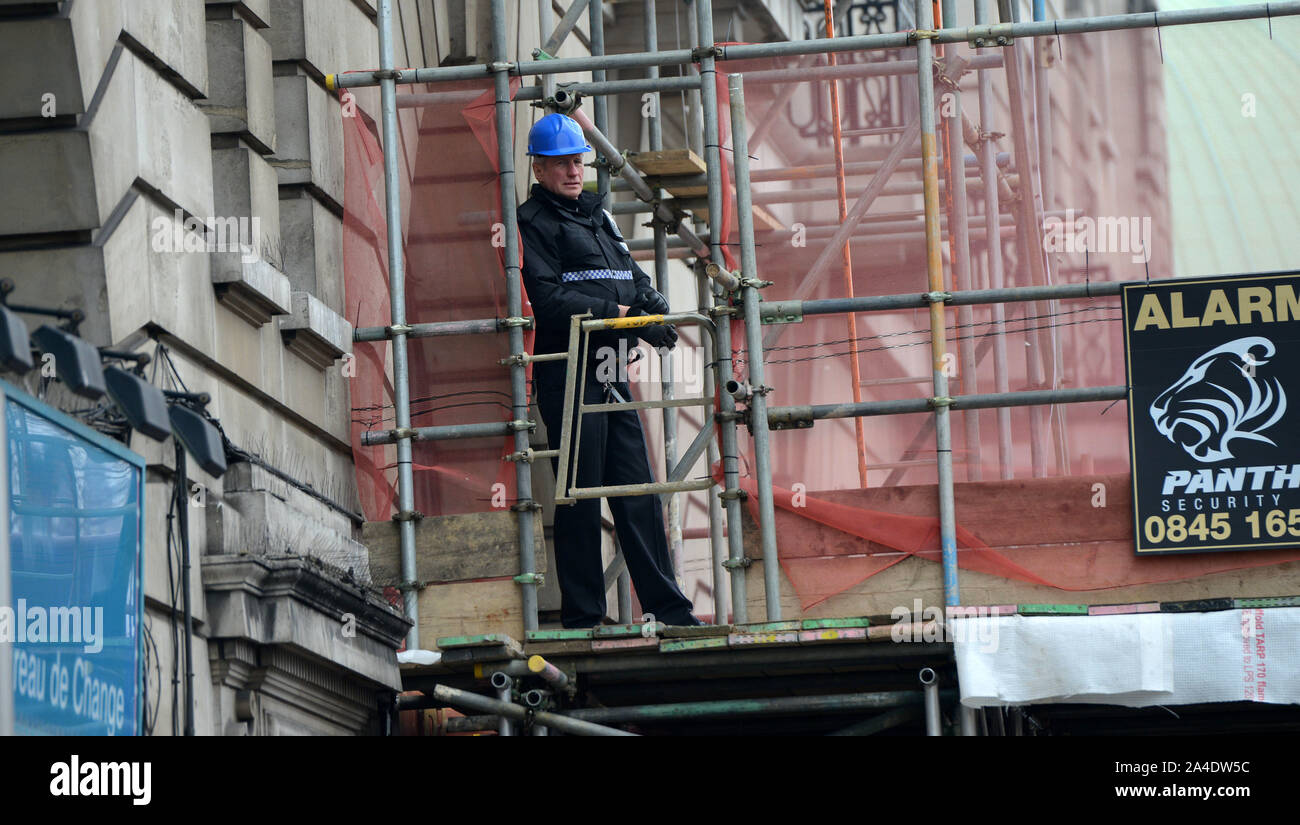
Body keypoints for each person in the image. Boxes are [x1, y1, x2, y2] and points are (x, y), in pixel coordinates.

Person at [517, 112, 700, 628]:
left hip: (613, 366)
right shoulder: (531, 224)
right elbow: (549, 301)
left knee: (636, 490)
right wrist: (623, 316)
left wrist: (650, 305)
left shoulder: (598, 215)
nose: (574, 171)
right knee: (579, 497)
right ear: (539, 168)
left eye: (578, 161)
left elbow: (631, 274)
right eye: (562, 164)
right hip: (571, 373)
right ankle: (583, 618)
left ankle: (670, 610)